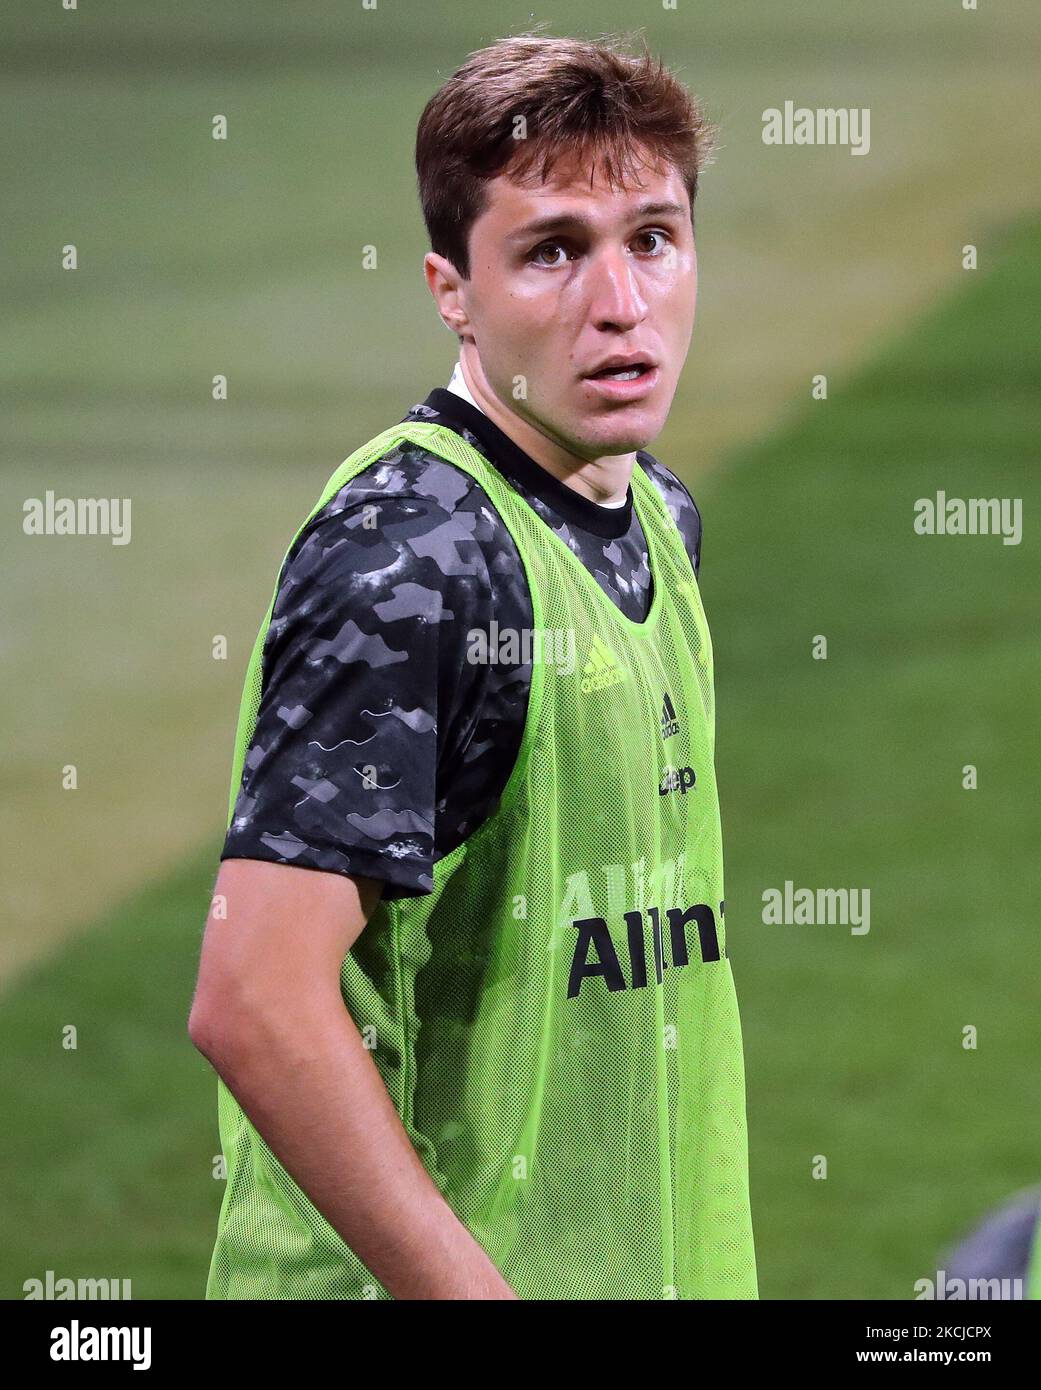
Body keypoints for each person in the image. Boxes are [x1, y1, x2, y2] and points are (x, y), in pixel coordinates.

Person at [189, 30, 758, 1300]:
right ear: (452, 288)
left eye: (652, 239)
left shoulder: (657, 515)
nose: (619, 304)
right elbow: (255, 1000)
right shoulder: (413, 559)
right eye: (552, 250)